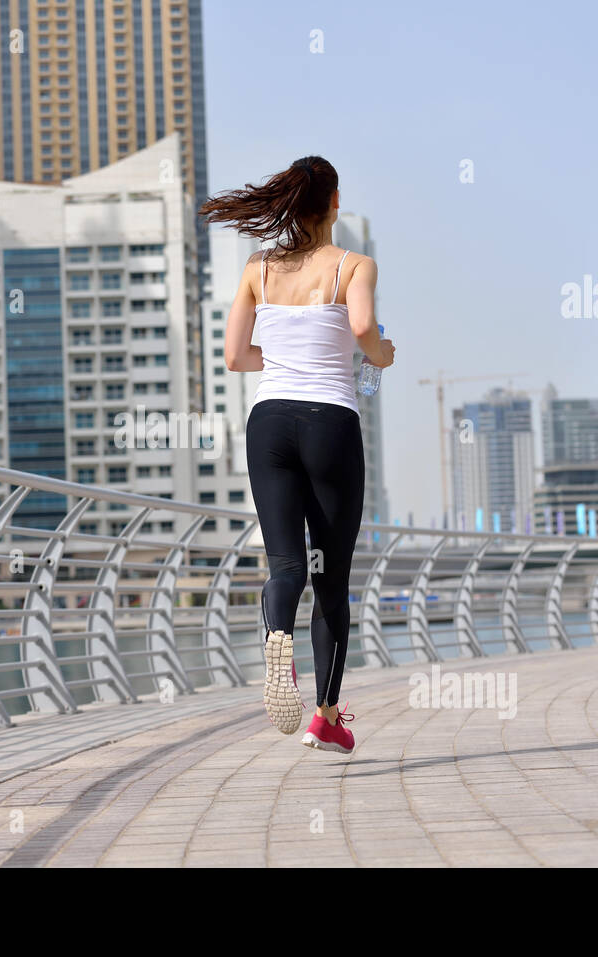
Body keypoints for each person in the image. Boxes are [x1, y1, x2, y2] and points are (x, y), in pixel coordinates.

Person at [200, 156, 395, 754]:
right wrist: (381, 353)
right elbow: (363, 329)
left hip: (269, 423)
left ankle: (275, 631)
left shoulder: (259, 267)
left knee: (286, 567)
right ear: (334, 203)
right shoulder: (353, 265)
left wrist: (286, 361)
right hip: (329, 421)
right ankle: (325, 716)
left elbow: (236, 356)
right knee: (330, 581)